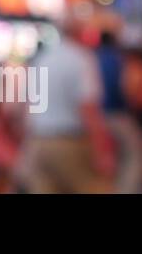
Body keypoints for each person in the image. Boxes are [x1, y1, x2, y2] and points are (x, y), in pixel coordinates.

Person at [22, 19, 113, 194]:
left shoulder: (42, 59)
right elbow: (88, 108)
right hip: (70, 143)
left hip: (39, 142)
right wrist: (103, 150)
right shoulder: (81, 59)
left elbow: (29, 107)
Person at [96, 31, 142, 193]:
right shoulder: (119, 60)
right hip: (117, 113)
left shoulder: (91, 58)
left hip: (96, 116)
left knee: (110, 156)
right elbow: (126, 88)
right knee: (135, 155)